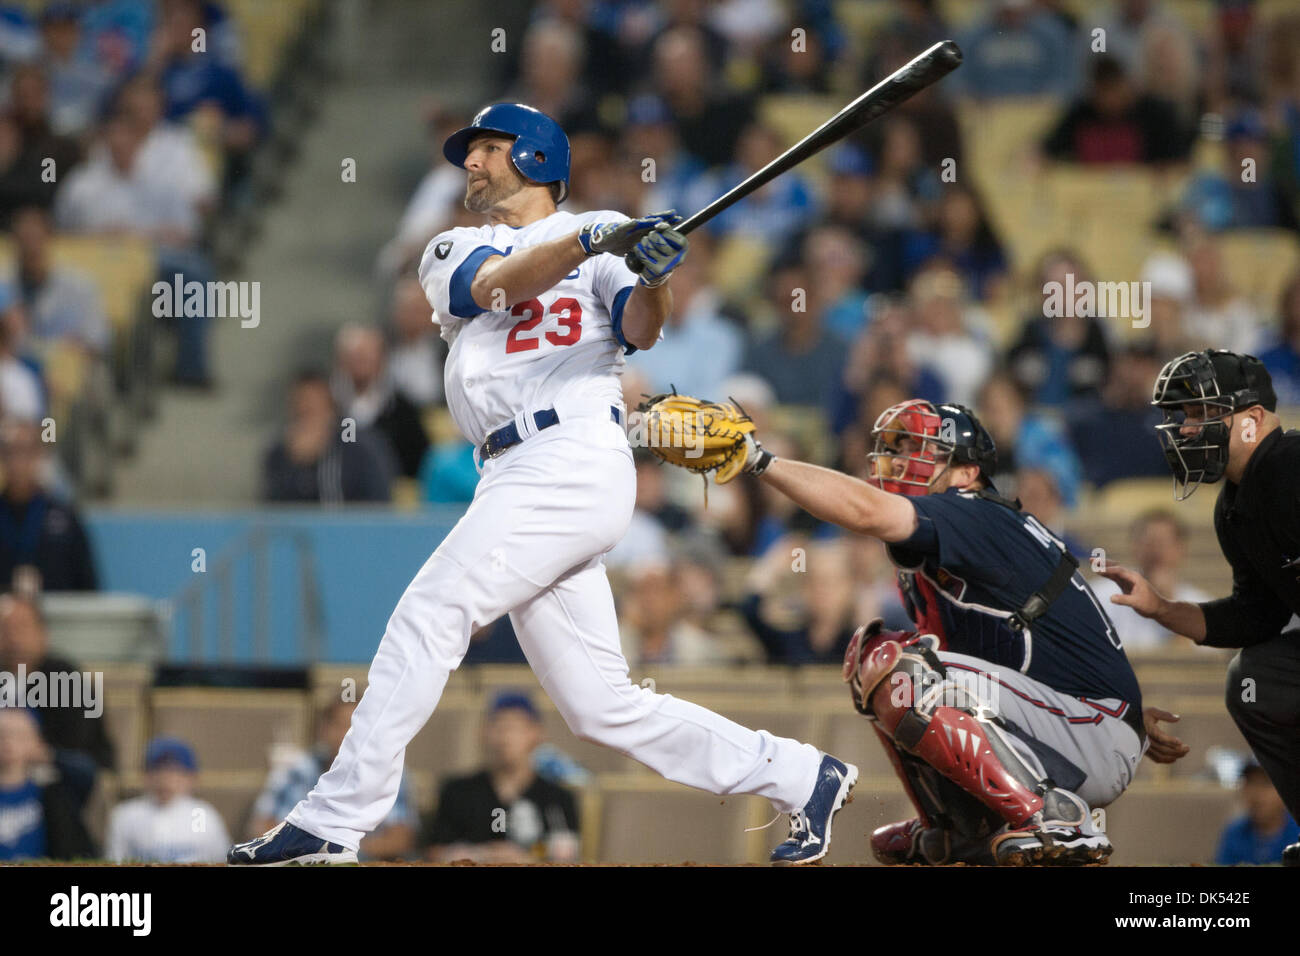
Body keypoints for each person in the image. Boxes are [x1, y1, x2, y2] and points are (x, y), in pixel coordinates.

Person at [230, 103, 855, 867]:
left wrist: (655, 276)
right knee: (602, 707)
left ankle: (334, 819)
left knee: (431, 613)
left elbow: (641, 330)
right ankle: (801, 773)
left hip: (572, 452)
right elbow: (495, 288)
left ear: (531, 156)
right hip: (512, 470)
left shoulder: (607, 236)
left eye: (488, 149)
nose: (472, 162)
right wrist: (588, 238)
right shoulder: (459, 244)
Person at [658, 395, 1188, 864]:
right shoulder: (937, 555)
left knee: (902, 670)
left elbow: (864, 512)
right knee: (877, 652)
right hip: (1073, 724)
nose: (894, 462)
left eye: (917, 450)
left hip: (1088, 730)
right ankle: (961, 831)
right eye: (892, 449)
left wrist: (759, 460)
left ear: (965, 473)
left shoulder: (974, 511)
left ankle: (1052, 816)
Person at [1098, 349, 1300, 866]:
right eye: (1184, 416)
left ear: (1252, 420)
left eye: (1204, 414)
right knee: (1254, 679)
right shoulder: (1234, 506)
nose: (1188, 430)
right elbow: (1256, 616)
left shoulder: (1290, 465)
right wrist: (1162, 607)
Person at [421, 692, 579, 863]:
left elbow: (568, 855)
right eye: (499, 727)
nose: (506, 737)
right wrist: (482, 855)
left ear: (536, 733)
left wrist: (528, 857)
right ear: (484, 733)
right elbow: (434, 851)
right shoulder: (457, 792)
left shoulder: (557, 798)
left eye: (515, 728)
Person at [248, 701, 416, 862]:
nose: (347, 735)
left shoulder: (389, 772)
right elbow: (263, 827)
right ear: (324, 729)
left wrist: (333, 852)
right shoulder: (296, 769)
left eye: (357, 727)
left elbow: (400, 838)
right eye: (340, 725)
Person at [0, 592, 113, 805]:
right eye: (5, 630)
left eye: (22, 628)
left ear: (43, 635)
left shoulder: (65, 677)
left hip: (60, 774)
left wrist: (30, 752)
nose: (13, 639)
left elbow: (79, 747)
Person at [261, 371, 397, 504]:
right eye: (301, 411)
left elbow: (378, 505)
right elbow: (275, 509)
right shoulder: (279, 453)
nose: (308, 415)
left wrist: (325, 450)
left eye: (314, 407)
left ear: (331, 408)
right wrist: (297, 464)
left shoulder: (359, 447)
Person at [0, 420, 98, 592]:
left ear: (39, 454)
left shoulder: (65, 517)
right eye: (9, 452)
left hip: (58, 617)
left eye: (25, 451)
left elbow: (88, 585)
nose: (17, 461)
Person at [1090, 510, 1210, 650]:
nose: (1156, 551)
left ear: (1181, 549)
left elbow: (1199, 663)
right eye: (1149, 542)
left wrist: (1168, 600)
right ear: (1134, 546)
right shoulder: (1101, 596)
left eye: (1164, 543)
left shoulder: (1201, 605)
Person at [105, 737, 230, 863]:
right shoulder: (125, 815)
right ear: (145, 775)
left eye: (175, 771)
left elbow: (222, 859)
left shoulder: (204, 814)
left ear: (191, 777)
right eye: (158, 770)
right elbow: (115, 860)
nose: (165, 779)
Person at [0, 707, 95, 861]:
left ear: (36, 741)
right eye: (2, 735)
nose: (7, 743)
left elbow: (87, 773)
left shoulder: (52, 794)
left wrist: (50, 755)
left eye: (18, 735)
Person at [1214, 761, 1300, 866]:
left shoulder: (1297, 833)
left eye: (1266, 783)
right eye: (1250, 783)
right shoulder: (1235, 832)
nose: (1257, 793)